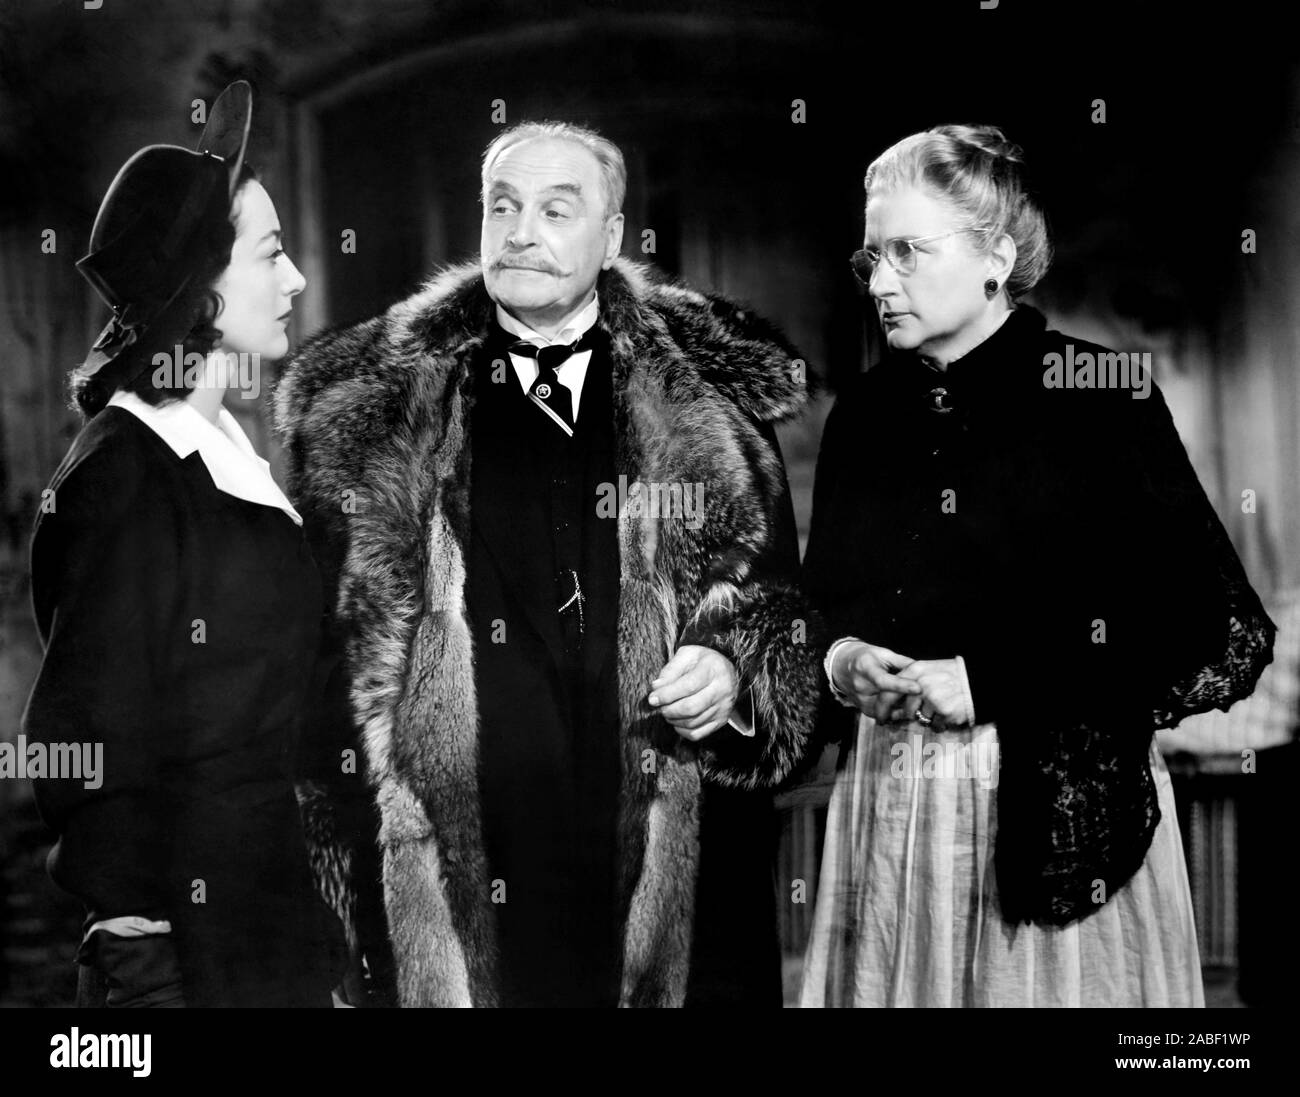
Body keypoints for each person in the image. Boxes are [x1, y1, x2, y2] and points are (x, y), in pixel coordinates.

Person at [276, 120, 819, 1007]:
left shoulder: (711, 411)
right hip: (468, 882)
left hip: (658, 874)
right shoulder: (375, 418)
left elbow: (782, 613)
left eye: (555, 209)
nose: (521, 230)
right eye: (503, 206)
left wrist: (733, 666)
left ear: (610, 239)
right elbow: (324, 675)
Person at [798, 124, 1275, 1008]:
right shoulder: (863, 416)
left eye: (909, 250)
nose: (883, 281)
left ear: (997, 257)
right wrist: (840, 658)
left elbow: (1208, 626)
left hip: (1058, 807)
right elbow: (822, 602)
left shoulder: (1098, 395)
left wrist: (988, 681)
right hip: (889, 813)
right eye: (872, 258)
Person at [22, 82, 343, 1007]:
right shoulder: (125, 473)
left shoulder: (223, 450)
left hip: (268, 926)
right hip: (186, 958)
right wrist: (138, 948)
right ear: (203, 287)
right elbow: (84, 729)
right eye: (272, 255)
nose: (297, 282)